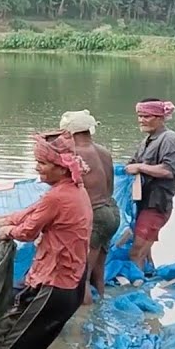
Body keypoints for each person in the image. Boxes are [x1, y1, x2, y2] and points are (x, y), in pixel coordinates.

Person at [0, 132, 92, 349]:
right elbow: (32, 212)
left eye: (42, 163)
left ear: (61, 168)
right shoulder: (74, 189)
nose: (36, 168)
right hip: (72, 281)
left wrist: (6, 231)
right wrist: (0, 219)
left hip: (54, 285)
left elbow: (28, 231)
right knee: (29, 346)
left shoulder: (57, 197)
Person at [58, 110, 118, 304]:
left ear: (69, 132)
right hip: (112, 212)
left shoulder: (73, 155)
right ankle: (99, 304)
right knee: (97, 273)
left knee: (80, 277)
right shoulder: (104, 151)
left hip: (95, 216)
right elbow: (110, 187)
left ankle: (83, 321)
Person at [125, 98, 175, 274]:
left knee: (136, 252)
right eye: (139, 116)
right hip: (143, 202)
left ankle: (137, 289)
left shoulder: (169, 138)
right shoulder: (147, 141)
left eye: (146, 116)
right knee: (145, 252)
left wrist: (140, 167)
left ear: (159, 117)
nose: (141, 120)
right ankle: (148, 278)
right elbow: (131, 164)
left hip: (156, 204)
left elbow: (168, 170)